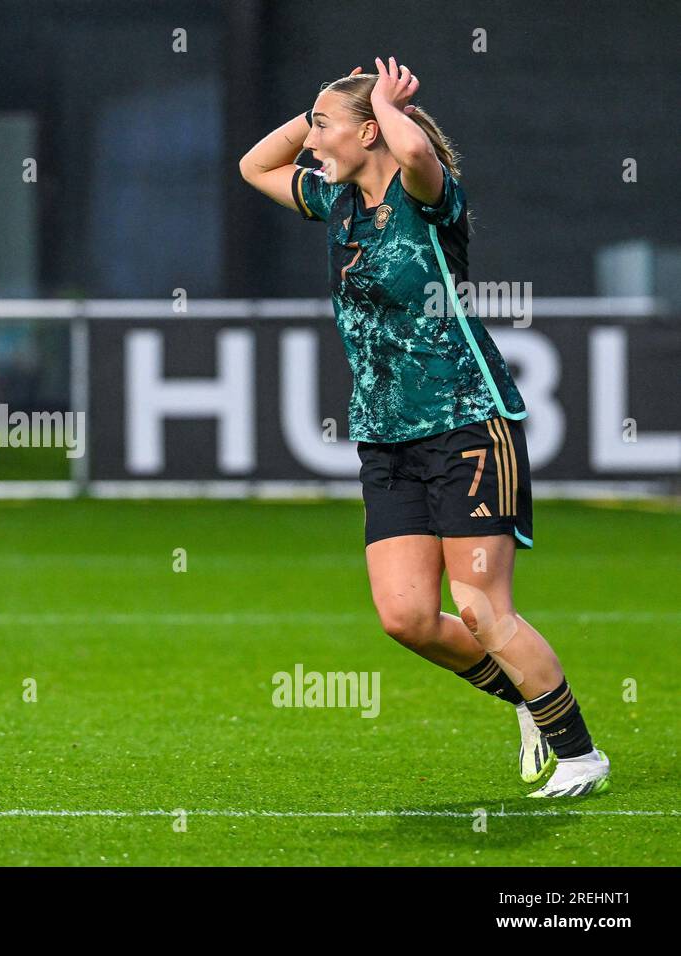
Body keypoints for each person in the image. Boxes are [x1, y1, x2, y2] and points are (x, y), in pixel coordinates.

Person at [239, 58, 608, 797]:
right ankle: (532, 701)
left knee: (478, 608)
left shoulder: (424, 193)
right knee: (406, 616)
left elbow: (412, 152)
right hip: (385, 436)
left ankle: (580, 755)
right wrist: (318, 109)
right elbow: (254, 165)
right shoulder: (337, 202)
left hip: (468, 423)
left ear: (370, 129)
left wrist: (377, 102)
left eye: (324, 127)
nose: (311, 144)